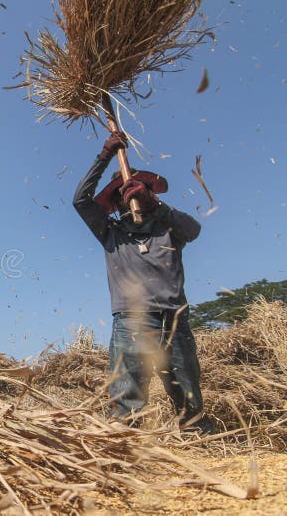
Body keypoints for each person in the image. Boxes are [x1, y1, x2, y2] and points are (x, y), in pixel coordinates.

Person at [73, 131, 216, 434]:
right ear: (116, 201)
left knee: (188, 396)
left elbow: (195, 230)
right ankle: (128, 453)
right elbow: (80, 201)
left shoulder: (169, 228)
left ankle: (201, 444)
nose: (132, 198)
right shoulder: (111, 233)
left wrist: (155, 206)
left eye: (139, 191)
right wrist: (103, 156)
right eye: (123, 194)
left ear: (151, 194)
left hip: (175, 319)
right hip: (131, 322)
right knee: (127, 403)